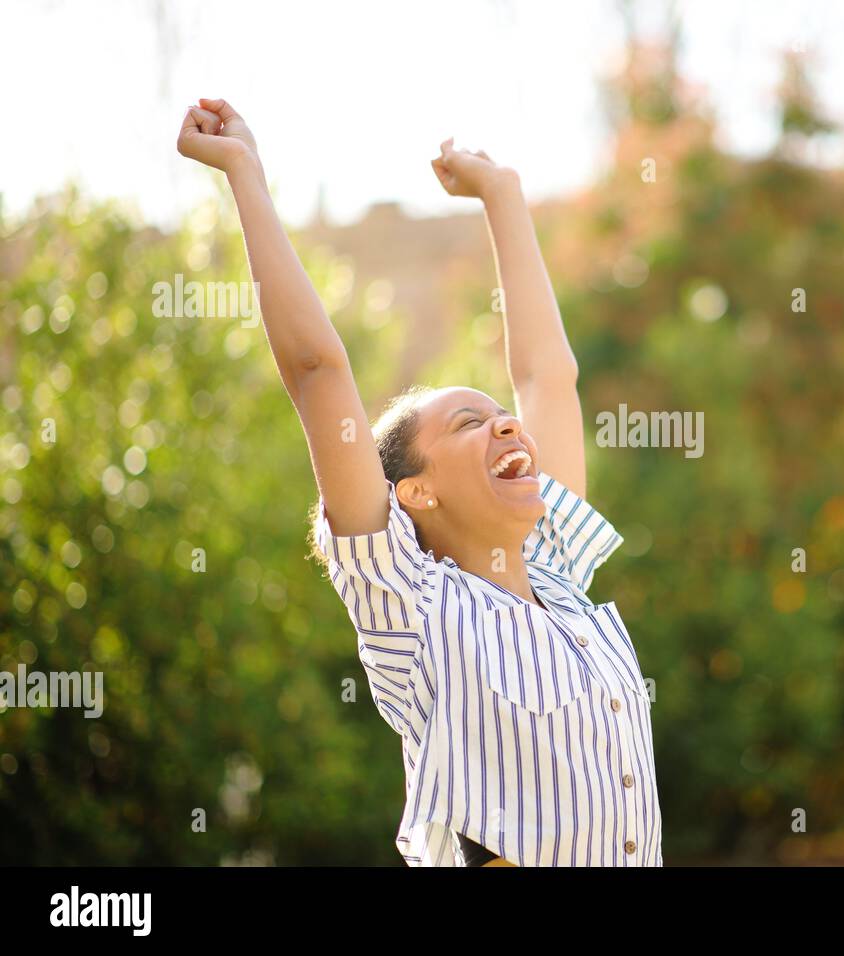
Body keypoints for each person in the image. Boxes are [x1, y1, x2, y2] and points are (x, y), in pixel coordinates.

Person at [177, 98, 662, 867]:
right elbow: (316, 372)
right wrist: (246, 174)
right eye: (470, 424)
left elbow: (547, 375)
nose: (508, 425)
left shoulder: (557, 567)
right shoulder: (412, 606)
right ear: (415, 493)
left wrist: (502, 194)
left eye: (503, 417)